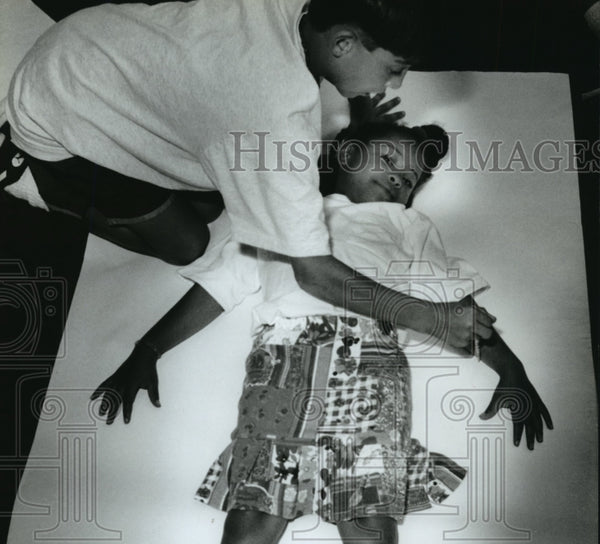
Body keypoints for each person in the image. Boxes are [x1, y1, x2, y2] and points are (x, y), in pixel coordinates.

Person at [92, 121, 552, 544]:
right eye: (390, 157)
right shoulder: (285, 214)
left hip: (372, 374)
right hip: (283, 370)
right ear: (340, 156)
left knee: (370, 529)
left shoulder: (405, 227)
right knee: (251, 519)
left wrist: (511, 370)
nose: (402, 174)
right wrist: (146, 350)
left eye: (413, 172)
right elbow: (220, 287)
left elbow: (456, 306)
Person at [1, 0, 494, 350]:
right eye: (394, 69)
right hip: (59, 113)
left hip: (88, 37)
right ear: (343, 43)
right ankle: (29, 176)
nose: (397, 83)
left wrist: (360, 123)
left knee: (214, 200)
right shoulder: (275, 115)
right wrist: (428, 317)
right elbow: (314, 273)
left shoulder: (300, 11)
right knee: (189, 244)